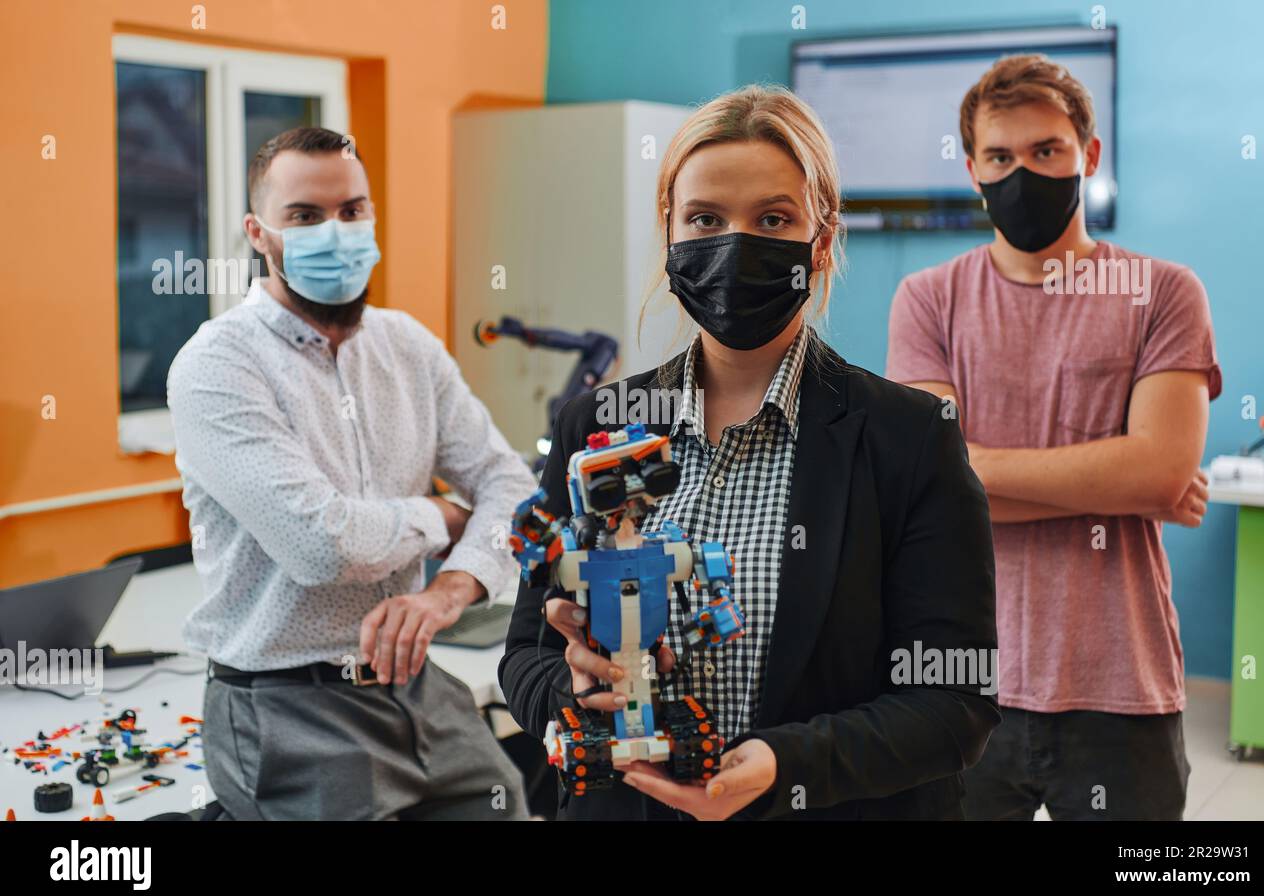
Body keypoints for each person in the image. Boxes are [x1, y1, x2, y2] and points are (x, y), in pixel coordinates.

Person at [499, 85, 999, 821]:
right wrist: (575, 689)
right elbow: (525, 654)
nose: (735, 243)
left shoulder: (908, 438)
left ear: (820, 241)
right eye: (704, 218)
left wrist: (785, 765)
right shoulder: (595, 426)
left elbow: (954, 702)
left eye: (773, 218)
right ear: (669, 237)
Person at [887, 55, 1221, 820]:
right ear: (971, 167)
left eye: (1047, 152)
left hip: (1121, 684)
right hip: (961, 681)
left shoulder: (1164, 292)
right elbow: (921, 495)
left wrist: (1147, 481)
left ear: (1089, 157)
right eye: (1001, 157)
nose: (1021, 174)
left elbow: (1160, 475)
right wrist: (1124, 486)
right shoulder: (927, 300)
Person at [168, 126, 535, 820]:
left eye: (351, 211)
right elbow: (325, 545)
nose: (334, 232)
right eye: (304, 216)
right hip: (284, 704)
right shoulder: (217, 367)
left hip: (417, 684)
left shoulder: (408, 347)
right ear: (258, 232)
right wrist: (446, 518)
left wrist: (449, 592)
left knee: (505, 803)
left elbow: (511, 483)